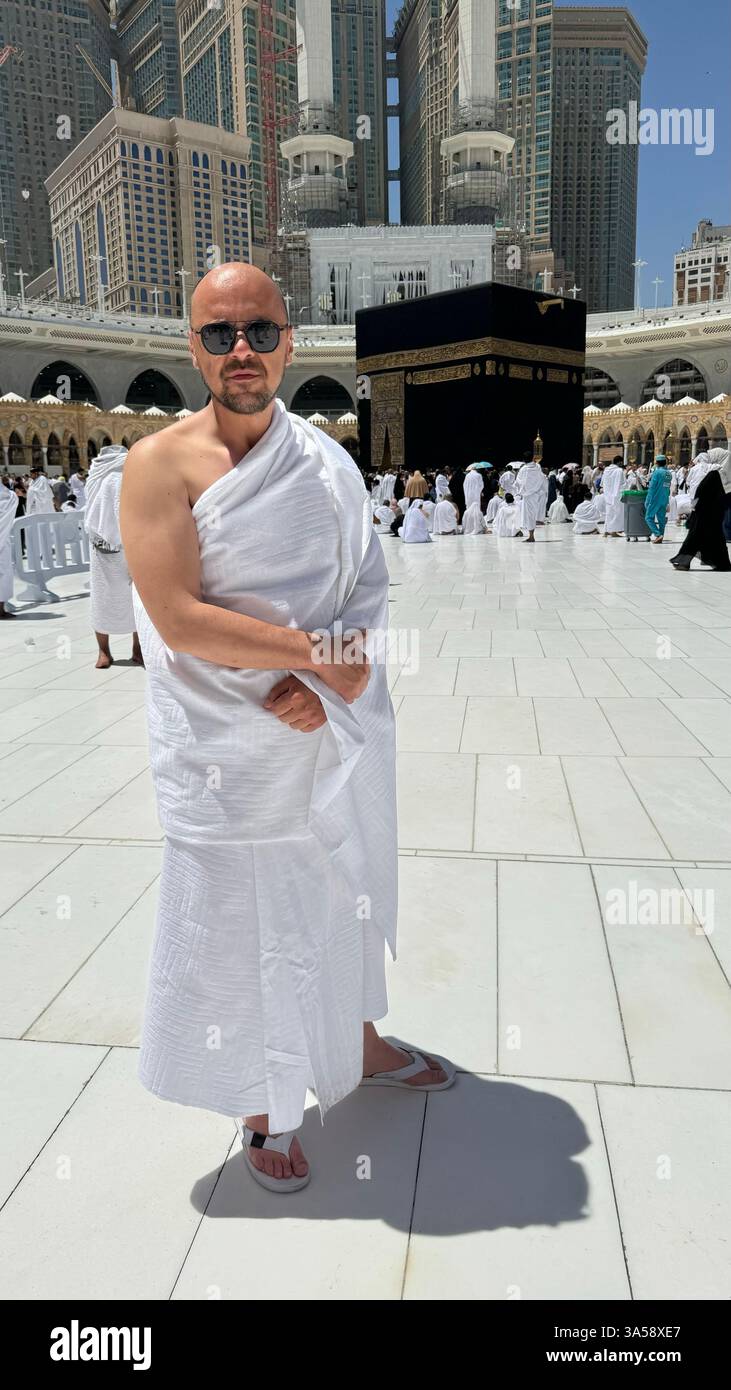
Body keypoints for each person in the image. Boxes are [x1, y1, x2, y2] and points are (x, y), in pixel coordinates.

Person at [120, 263, 455, 1191]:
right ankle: (262, 1105)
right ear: (192, 346)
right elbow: (178, 616)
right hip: (221, 749)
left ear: (288, 342)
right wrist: (314, 653)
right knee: (239, 924)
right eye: (221, 334)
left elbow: (367, 586)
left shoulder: (324, 460)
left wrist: (333, 682)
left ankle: (354, 1041)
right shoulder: (159, 465)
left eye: (260, 332)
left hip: (318, 730)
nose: (241, 352)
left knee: (334, 887)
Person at [84, 444, 143, 668]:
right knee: (106, 597)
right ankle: (108, 651)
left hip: (126, 544)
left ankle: (125, 650)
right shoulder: (97, 475)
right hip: (103, 547)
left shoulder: (127, 474)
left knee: (132, 598)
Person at [670, 448, 731, 572]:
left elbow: (701, 490)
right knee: (715, 538)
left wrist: (695, 505)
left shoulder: (715, 473)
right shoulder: (726, 474)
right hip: (717, 512)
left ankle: (684, 562)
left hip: (704, 511)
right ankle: (721, 563)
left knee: (694, 537)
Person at [515, 458, 547, 542]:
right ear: (532, 459)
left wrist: (523, 489)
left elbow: (519, 481)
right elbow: (542, 477)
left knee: (529, 515)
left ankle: (531, 536)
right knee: (532, 514)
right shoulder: (538, 467)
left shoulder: (524, 469)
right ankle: (531, 535)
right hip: (537, 494)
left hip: (528, 495)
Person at [0, 475, 18, 618]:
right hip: (3, 540)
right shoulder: (11, 497)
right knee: (4, 574)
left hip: (4, 540)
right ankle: (1, 609)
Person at [645, 455, 672, 544]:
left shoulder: (657, 473)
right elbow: (668, 488)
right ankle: (661, 535)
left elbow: (652, 488)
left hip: (655, 499)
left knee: (648, 517)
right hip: (664, 499)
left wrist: (647, 501)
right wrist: (667, 502)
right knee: (661, 519)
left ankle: (657, 534)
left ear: (656, 463)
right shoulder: (668, 473)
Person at [602, 455, 625, 537]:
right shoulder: (619, 470)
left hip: (607, 495)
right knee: (616, 514)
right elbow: (623, 483)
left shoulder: (606, 470)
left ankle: (606, 531)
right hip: (617, 495)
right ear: (619, 462)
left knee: (609, 513)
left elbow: (603, 483)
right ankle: (613, 531)